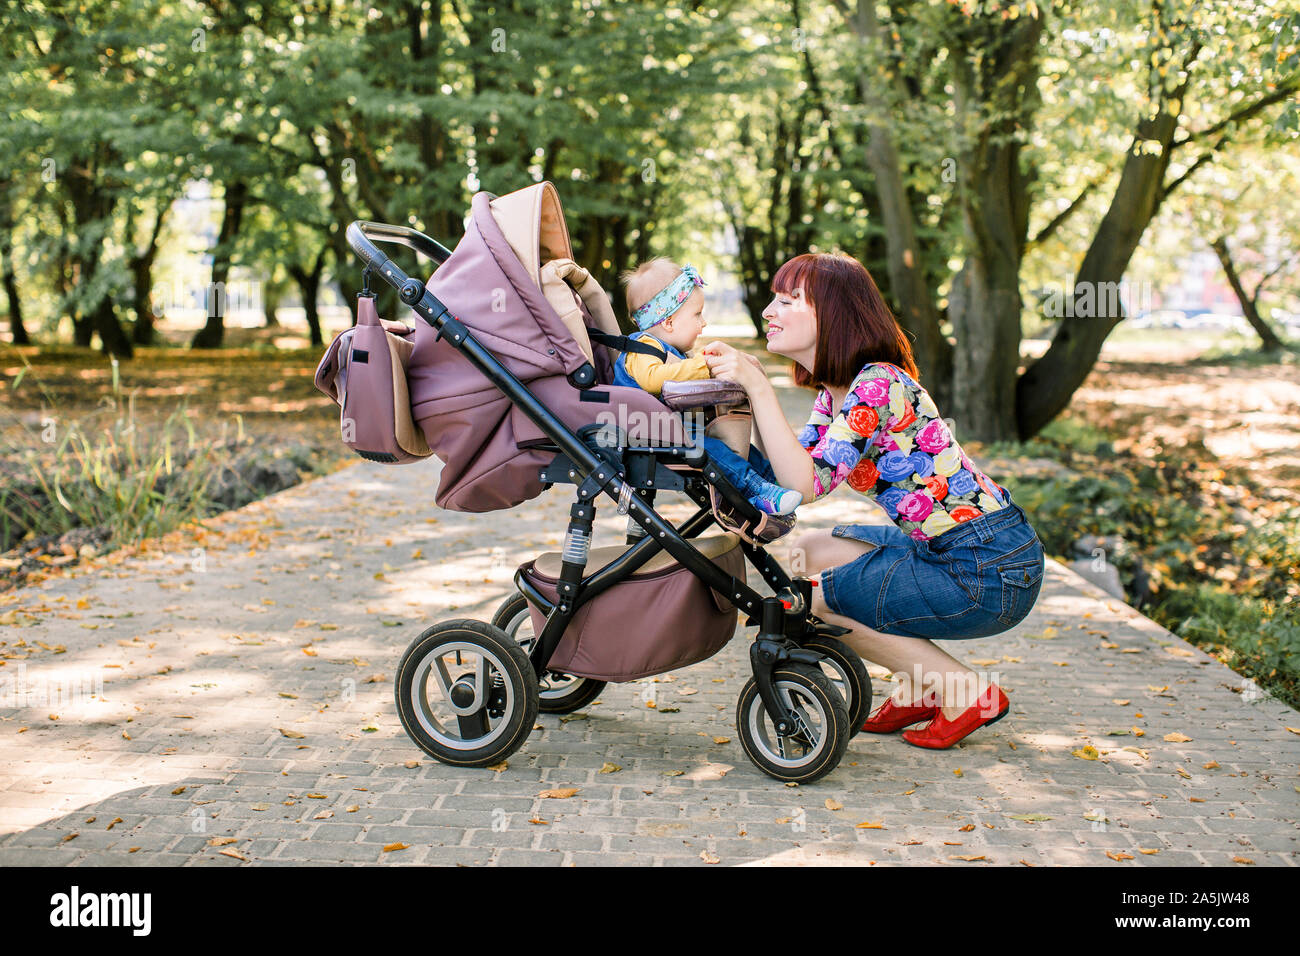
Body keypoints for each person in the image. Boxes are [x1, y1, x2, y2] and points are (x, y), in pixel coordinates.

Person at [701, 252, 1046, 749]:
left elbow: (806, 486)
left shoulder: (877, 383)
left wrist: (758, 385)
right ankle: (921, 683)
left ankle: (965, 692)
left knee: (812, 600)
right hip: (954, 549)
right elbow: (786, 479)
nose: (768, 312)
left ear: (834, 312)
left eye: (786, 300)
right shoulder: (834, 394)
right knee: (808, 554)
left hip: (987, 566)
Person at [616, 258, 802, 516]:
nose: (703, 323)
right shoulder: (641, 347)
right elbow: (653, 379)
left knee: (727, 444)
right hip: (647, 432)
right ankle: (755, 487)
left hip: (672, 429)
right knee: (710, 448)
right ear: (668, 322)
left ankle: (773, 480)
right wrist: (702, 366)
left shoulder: (672, 352)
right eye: (697, 314)